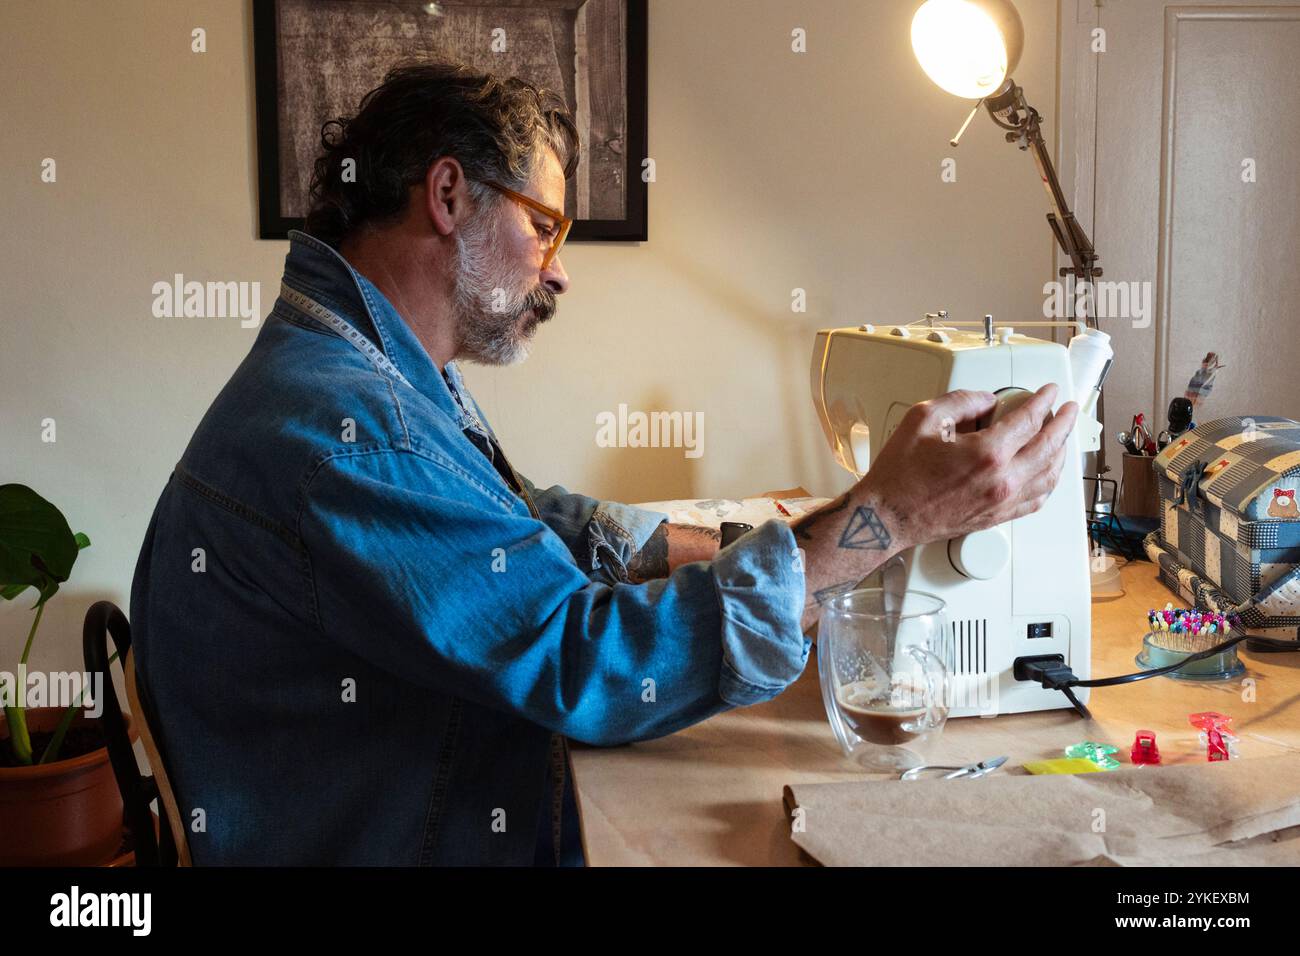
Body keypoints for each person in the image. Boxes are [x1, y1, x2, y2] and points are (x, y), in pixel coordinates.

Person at [130, 62, 1077, 866]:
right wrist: (889, 520)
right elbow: (584, 663)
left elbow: (528, 519)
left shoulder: (358, 365)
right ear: (449, 196)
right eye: (546, 226)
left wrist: (787, 542)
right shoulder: (352, 426)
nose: (561, 270)